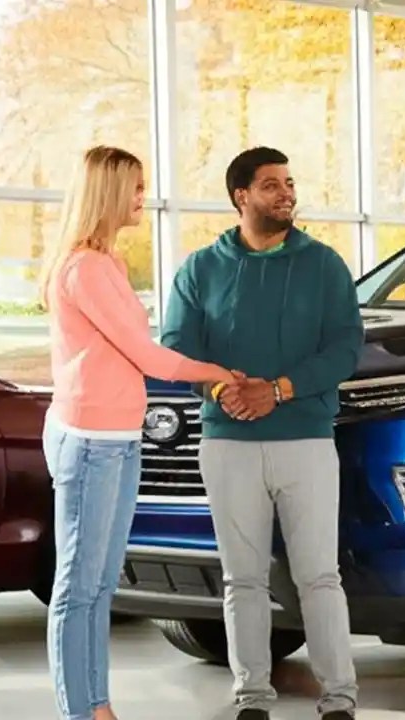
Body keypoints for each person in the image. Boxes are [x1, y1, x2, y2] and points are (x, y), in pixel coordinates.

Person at [158, 146, 364, 720]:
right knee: (242, 579)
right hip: (227, 444)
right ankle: (251, 696)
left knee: (319, 575)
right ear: (241, 196)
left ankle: (339, 696)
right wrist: (224, 390)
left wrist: (277, 389)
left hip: (306, 441)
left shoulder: (324, 265)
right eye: (271, 185)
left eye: (289, 183)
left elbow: (346, 347)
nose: (286, 193)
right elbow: (177, 348)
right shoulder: (201, 269)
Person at [38, 145, 237, 720]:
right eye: (135, 188)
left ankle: (97, 705)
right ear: (107, 192)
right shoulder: (86, 268)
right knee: (78, 588)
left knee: (101, 586)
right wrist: (215, 372)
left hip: (119, 438)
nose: (142, 199)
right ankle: (83, 711)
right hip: (93, 443)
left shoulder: (107, 264)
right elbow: (149, 356)